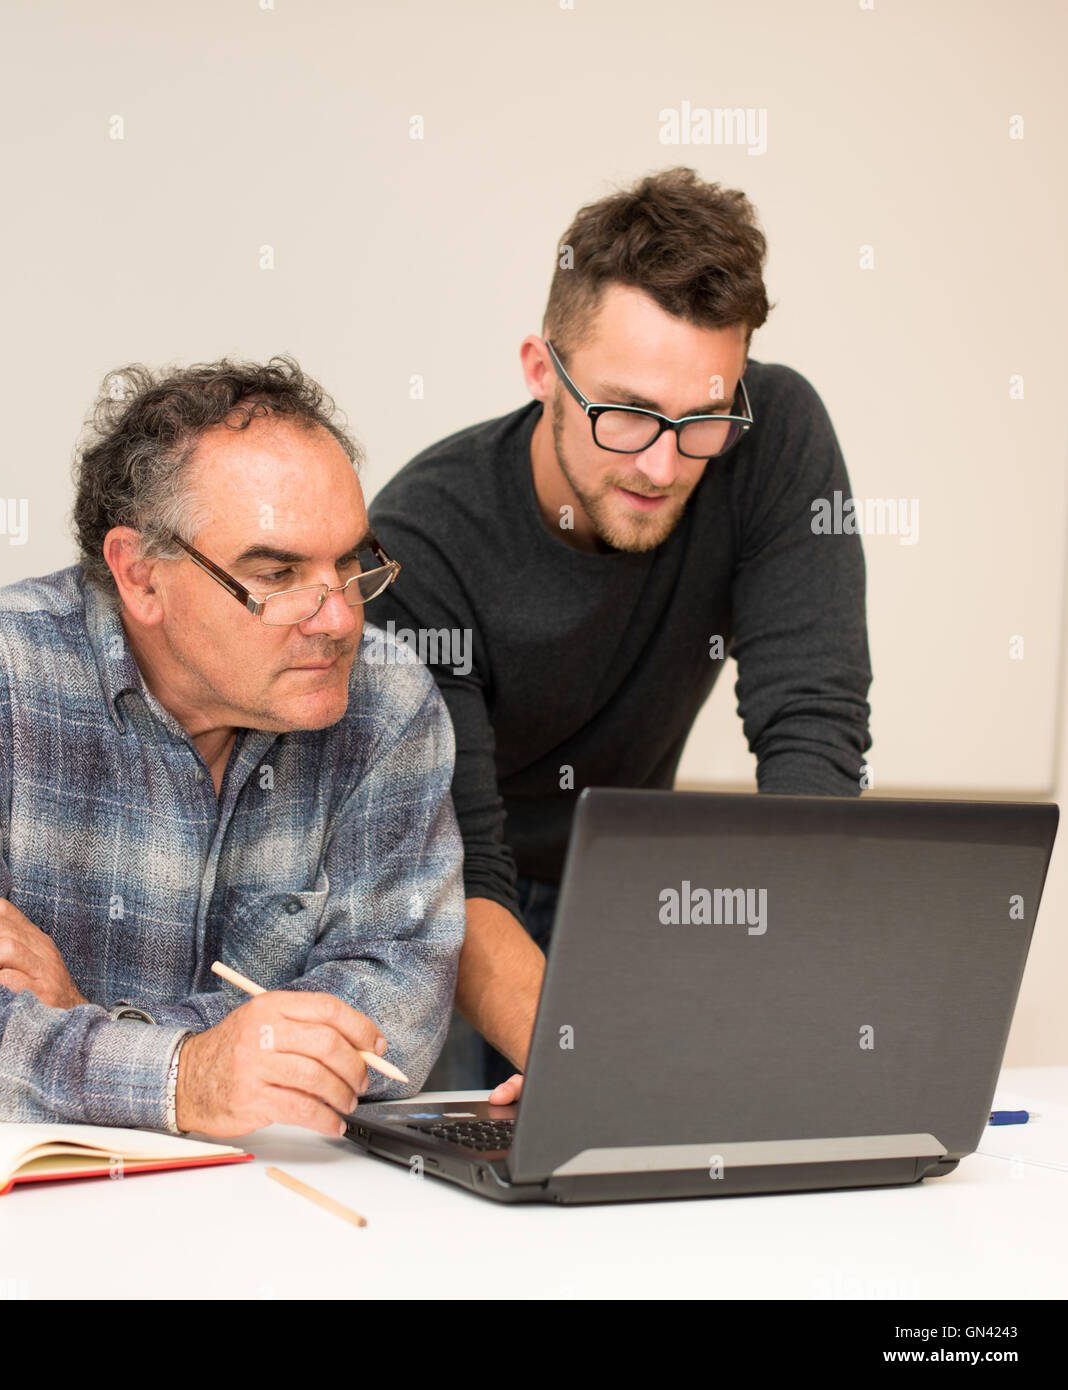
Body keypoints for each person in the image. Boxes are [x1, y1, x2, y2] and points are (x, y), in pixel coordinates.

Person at [0, 357, 465, 1139]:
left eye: (351, 563)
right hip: (0, 1200)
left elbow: (400, 1007)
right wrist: (185, 1076)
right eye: (279, 573)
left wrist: (96, 1023)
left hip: (260, 1204)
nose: (337, 619)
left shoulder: (387, 703)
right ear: (140, 576)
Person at [368, 167, 873, 1098]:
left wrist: (804, 999)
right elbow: (459, 875)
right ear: (539, 369)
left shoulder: (775, 435)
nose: (660, 464)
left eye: (700, 420)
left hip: (621, 892)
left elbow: (813, 728)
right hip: (445, 907)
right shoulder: (420, 546)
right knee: (452, 1178)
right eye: (626, 413)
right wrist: (610, 1074)